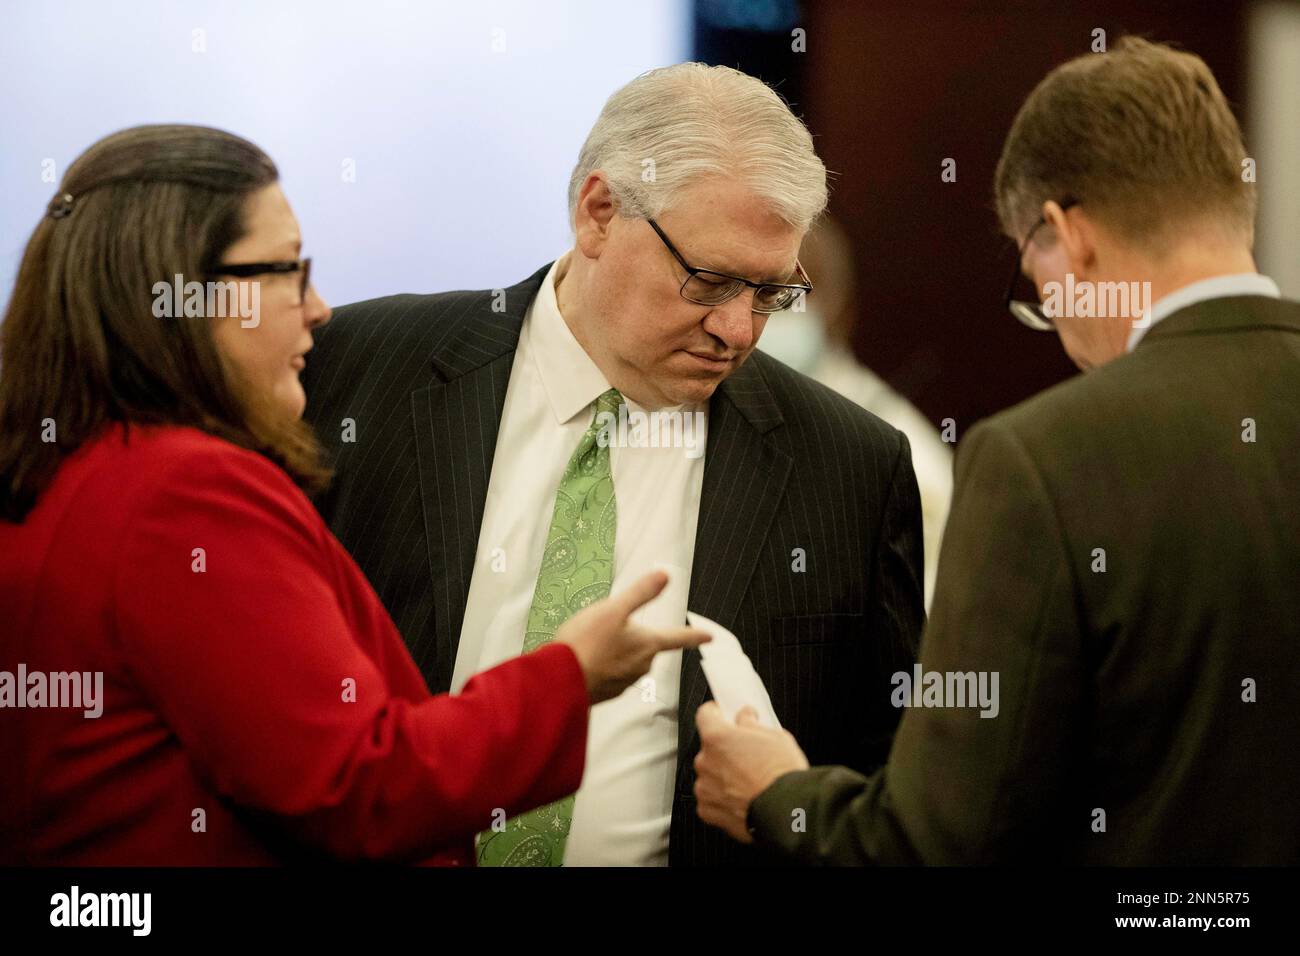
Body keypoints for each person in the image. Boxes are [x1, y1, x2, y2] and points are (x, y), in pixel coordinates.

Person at [0, 124, 706, 866]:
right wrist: (566, 677)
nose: (318, 309)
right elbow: (357, 788)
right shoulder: (186, 495)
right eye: (286, 273)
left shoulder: (64, 470)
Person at [693, 37, 1300, 864]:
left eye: (1033, 280)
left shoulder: (1044, 460)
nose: (1056, 325)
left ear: (1067, 234)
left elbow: (932, 844)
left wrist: (775, 793)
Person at [302, 62, 925, 866]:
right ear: (598, 212)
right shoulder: (358, 375)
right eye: (708, 280)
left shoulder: (848, 467)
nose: (737, 330)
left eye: (770, 293)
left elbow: (879, 782)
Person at [758, 214, 952, 608]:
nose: (771, 316)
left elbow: (931, 618)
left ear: (834, 301)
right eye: (760, 295)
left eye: (790, 297)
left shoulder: (904, 450)